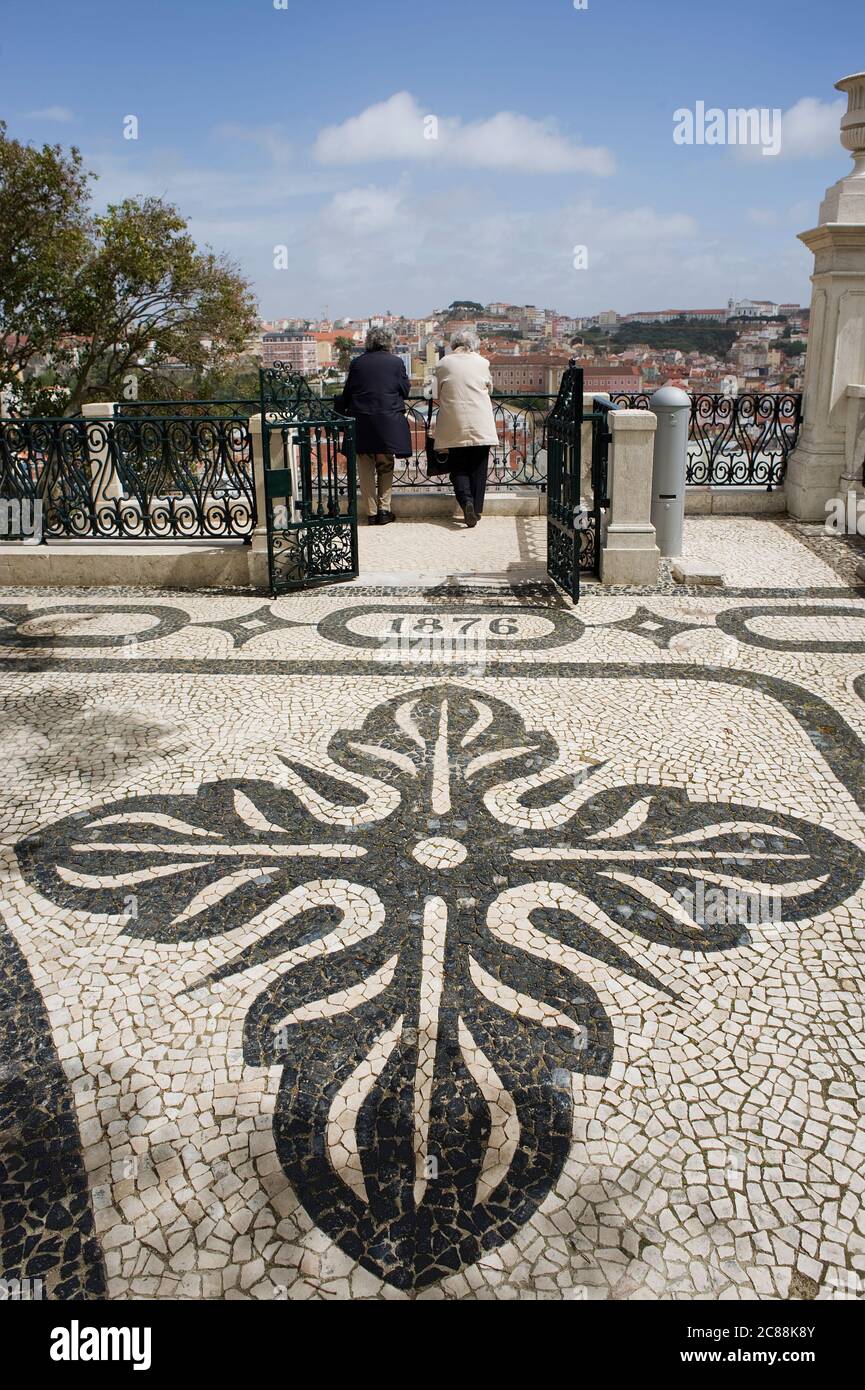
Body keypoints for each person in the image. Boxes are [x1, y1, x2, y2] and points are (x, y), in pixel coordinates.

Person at [335, 327, 411, 525]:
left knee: (365, 467)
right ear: (389, 343)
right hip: (388, 422)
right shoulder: (396, 362)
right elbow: (405, 390)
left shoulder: (357, 363)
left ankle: (370, 513)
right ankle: (384, 510)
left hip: (361, 421)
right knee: (385, 465)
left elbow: (348, 392)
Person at [427, 331, 498, 528]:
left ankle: (466, 501)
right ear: (474, 344)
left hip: (454, 421)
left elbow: (435, 392)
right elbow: (490, 388)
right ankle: (475, 508)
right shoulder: (483, 363)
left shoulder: (443, 364)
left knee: (458, 466)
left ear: (453, 345)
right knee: (479, 467)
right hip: (481, 422)